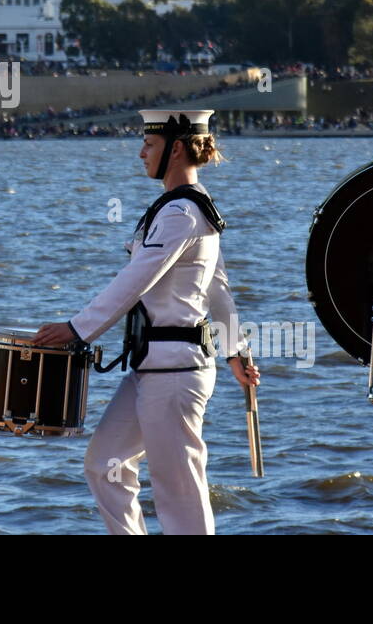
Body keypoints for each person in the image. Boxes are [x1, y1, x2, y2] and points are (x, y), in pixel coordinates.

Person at [34, 109, 259, 535]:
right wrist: (236, 352)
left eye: (149, 145)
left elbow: (137, 279)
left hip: (175, 373)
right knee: (104, 465)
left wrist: (77, 329)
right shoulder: (187, 207)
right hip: (152, 368)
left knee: (180, 494)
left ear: (175, 149)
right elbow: (220, 288)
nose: (141, 153)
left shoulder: (182, 213)